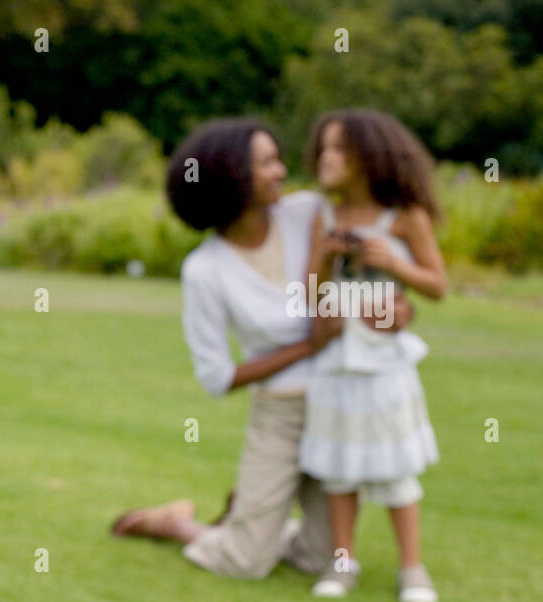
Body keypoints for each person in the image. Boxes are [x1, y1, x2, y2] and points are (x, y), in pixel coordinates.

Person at [112, 117, 414, 578]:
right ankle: (178, 524)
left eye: (278, 159)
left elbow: (371, 278)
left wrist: (399, 310)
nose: (281, 171)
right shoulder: (205, 271)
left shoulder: (310, 212)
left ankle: (250, 518)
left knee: (321, 558)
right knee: (245, 563)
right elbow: (217, 378)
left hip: (335, 401)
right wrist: (307, 348)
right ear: (231, 175)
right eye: (267, 163)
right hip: (279, 412)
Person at [299, 110, 445, 602]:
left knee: (395, 470)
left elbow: (437, 285)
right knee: (341, 471)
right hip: (337, 362)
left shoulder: (404, 215)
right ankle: (343, 563)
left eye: (339, 149)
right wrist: (323, 256)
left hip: (384, 363)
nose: (327, 158)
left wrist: (394, 263)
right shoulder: (325, 215)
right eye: (324, 148)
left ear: (368, 157)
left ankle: (412, 568)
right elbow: (310, 297)